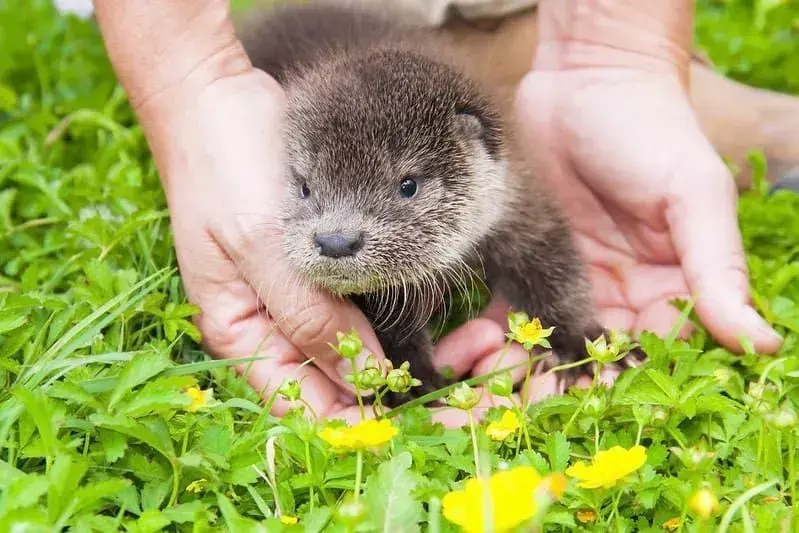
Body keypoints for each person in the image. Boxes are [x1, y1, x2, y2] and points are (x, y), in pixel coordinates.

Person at [89, 0, 789, 425]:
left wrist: (614, 57)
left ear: (481, 153)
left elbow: (539, 244)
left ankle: (518, 30)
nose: (334, 236)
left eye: (403, 191)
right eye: (308, 193)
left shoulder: (497, 174)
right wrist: (192, 92)